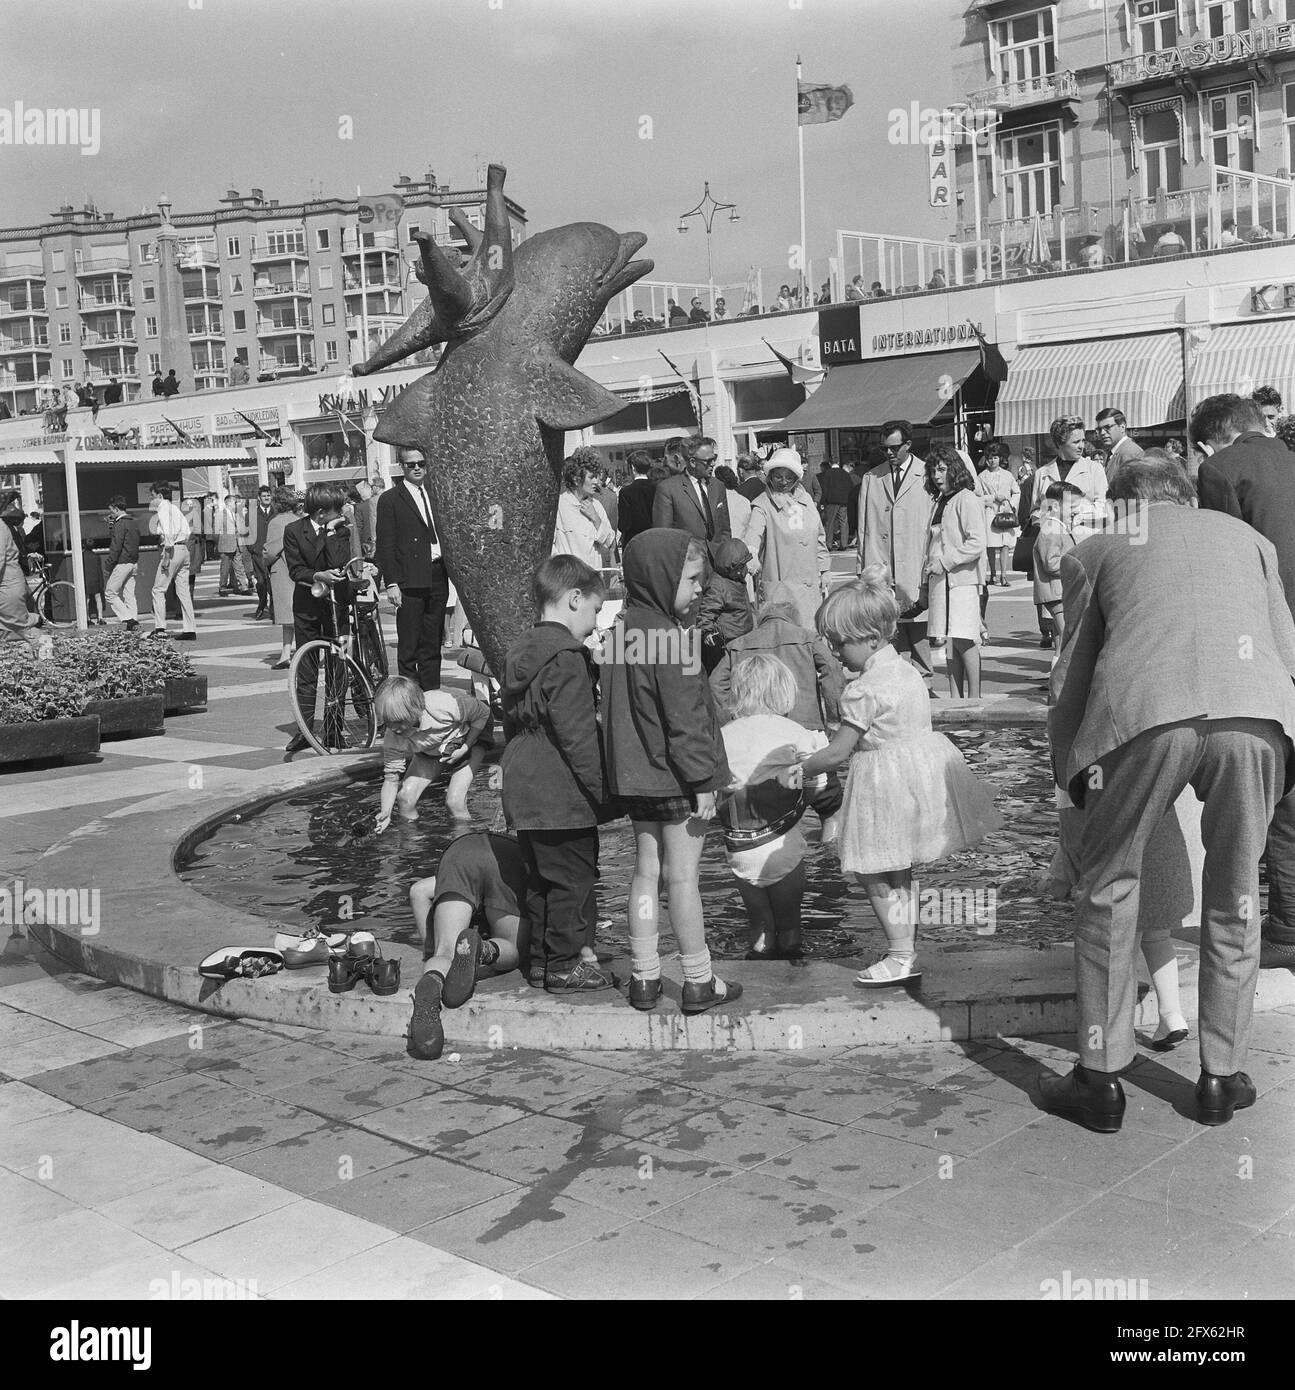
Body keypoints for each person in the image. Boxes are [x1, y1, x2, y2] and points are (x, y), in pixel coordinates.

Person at [1043, 454, 1295, 1131]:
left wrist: (1071, 776)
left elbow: (1070, 675)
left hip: (1145, 714)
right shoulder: (1249, 541)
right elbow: (1284, 648)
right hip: (1255, 715)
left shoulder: (1094, 549)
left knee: (1108, 888)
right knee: (1236, 892)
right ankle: (1220, 1076)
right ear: (1187, 497)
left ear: (1121, 505)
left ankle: (1100, 1080)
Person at [796, 575, 1001, 986]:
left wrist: (798, 768)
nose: (835, 653)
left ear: (870, 638)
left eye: (839, 643)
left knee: (872, 871)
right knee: (901, 870)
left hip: (882, 788)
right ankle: (906, 948)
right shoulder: (907, 672)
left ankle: (899, 953)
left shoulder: (864, 689)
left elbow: (839, 751)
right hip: (916, 784)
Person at [601, 528, 741, 1014]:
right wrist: (705, 781)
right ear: (661, 578)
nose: (701, 588)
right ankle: (699, 981)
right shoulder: (672, 641)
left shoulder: (619, 636)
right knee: (682, 880)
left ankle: (644, 977)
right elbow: (687, 722)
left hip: (635, 780)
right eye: (693, 579)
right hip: (679, 780)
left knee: (644, 875)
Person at [1193, 393, 1295, 971]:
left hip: (1272, 644)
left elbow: (1222, 562)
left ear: (1215, 438)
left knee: (1281, 786)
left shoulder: (1220, 469)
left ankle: (1285, 924)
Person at [500, 554, 614, 993]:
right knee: (573, 877)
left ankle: (541, 962)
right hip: (559, 788)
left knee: (540, 878)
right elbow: (578, 736)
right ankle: (566, 965)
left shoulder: (520, 651)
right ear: (573, 598)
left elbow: (512, 724)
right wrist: (603, 791)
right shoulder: (567, 658)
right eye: (593, 611)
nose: (594, 622)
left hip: (523, 780)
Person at [718, 654, 832, 960]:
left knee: (759, 925)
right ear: (784, 691)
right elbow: (818, 782)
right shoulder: (794, 731)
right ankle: (792, 974)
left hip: (739, 847)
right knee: (790, 924)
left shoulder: (724, 734)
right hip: (782, 844)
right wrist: (802, 806)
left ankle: (759, 965)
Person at [407, 832, 534, 1060]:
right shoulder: (515, 841)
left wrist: (435, 951)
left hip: (461, 852)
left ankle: (432, 980)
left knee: (445, 951)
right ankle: (484, 950)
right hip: (508, 858)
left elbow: (418, 891)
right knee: (513, 951)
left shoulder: (466, 850)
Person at [858, 420, 935, 691]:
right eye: (884, 448)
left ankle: (924, 683)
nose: (889, 454)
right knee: (886, 628)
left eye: (894, 448)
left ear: (908, 445)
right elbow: (863, 527)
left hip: (914, 560)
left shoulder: (926, 473)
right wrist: (863, 567)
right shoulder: (872, 478)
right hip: (882, 564)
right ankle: (891, 683)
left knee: (917, 625)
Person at [711, 583, 843, 733]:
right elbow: (831, 670)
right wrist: (834, 718)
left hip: (753, 725)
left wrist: (730, 721)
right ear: (794, 613)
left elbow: (716, 684)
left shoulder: (739, 644)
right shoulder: (807, 638)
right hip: (805, 724)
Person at [283, 482, 354, 753]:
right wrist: (317, 575)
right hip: (307, 608)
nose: (343, 512)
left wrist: (333, 533)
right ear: (322, 512)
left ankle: (334, 730)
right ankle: (305, 729)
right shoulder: (294, 531)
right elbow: (297, 569)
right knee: (307, 668)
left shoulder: (341, 530)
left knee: (338, 667)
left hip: (336, 608)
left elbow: (339, 560)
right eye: (338, 509)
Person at [374, 447, 449, 691]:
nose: (416, 467)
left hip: (437, 574)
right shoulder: (391, 499)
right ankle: (409, 704)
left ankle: (432, 699)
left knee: (432, 644)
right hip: (409, 579)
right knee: (409, 647)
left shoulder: (436, 495)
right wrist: (392, 583)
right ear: (402, 468)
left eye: (421, 463)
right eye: (410, 464)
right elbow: (386, 544)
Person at [373, 674, 492, 824]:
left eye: (398, 722)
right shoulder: (393, 736)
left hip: (470, 735)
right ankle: (413, 842)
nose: (394, 729)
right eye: (388, 722)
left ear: (416, 710)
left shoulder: (443, 705)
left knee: (454, 802)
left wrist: (465, 747)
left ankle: (467, 841)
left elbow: (484, 713)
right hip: (434, 747)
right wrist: (386, 812)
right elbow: (391, 779)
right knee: (405, 798)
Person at [922, 444, 988, 699]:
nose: (936, 475)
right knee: (950, 641)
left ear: (954, 469)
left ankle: (974, 698)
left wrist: (947, 562)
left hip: (961, 581)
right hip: (941, 581)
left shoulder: (966, 498)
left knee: (964, 638)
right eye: (933, 470)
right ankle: (955, 698)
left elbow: (976, 543)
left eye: (941, 469)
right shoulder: (939, 500)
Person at [743, 447, 829, 629]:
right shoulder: (762, 505)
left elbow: (819, 537)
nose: (783, 482)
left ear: (797, 478)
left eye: (789, 477)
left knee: (811, 637)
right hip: (781, 588)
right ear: (769, 476)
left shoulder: (806, 500)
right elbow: (753, 535)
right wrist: (751, 554)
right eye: (778, 476)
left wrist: (825, 570)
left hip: (810, 586)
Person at [651, 435, 731, 549]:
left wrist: (724, 555)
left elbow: (725, 530)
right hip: (687, 561)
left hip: (717, 560)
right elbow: (663, 536)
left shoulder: (718, 486)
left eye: (715, 458)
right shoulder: (668, 489)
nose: (713, 464)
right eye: (708, 461)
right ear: (693, 462)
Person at [1031, 416, 1108, 531]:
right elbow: (1035, 511)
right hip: (1053, 541)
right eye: (1076, 442)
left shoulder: (1095, 469)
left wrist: (1077, 514)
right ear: (1060, 443)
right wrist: (1047, 519)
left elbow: (1103, 507)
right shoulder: (1041, 474)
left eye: (1083, 441)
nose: (1082, 446)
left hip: (1084, 540)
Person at [1033, 480, 1082, 652]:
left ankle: (1057, 675)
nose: (1075, 510)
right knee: (1066, 638)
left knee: (1061, 639)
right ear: (1055, 506)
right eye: (1071, 505)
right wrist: (1075, 567)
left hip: (1058, 592)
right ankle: (1062, 677)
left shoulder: (1057, 526)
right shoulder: (1051, 528)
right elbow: (1051, 563)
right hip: (1056, 592)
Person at [698, 537, 754, 675]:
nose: (743, 572)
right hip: (725, 645)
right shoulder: (718, 585)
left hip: (742, 641)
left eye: (744, 566)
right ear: (727, 567)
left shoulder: (736, 579)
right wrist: (708, 632)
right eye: (739, 568)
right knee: (720, 678)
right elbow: (707, 612)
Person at [147, 482, 196, 641]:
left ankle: (160, 628)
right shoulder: (175, 508)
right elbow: (187, 532)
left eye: (153, 496)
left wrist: (167, 556)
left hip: (172, 550)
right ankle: (190, 629)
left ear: (159, 496)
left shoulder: (163, 509)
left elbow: (168, 533)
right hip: (184, 550)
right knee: (183, 591)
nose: (151, 500)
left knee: (158, 589)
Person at [552, 455, 615, 568]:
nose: (596, 481)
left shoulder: (596, 505)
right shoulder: (559, 506)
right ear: (576, 480)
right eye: (591, 477)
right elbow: (550, 548)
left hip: (594, 579)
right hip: (569, 580)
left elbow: (611, 543)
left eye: (596, 476)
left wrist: (596, 518)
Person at [264, 488, 302, 667]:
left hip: (283, 572)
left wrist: (265, 559)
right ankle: (286, 653)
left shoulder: (277, 522)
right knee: (296, 615)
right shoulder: (299, 519)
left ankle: (288, 654)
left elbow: (271, 551)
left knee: (289, 617)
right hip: (299, 571)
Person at [977, 439, 1018, 587]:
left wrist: (1010, 505)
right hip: (990, 512)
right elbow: (978, 497)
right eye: (989, 458)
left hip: (1005, 512)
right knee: (991, 545)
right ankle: (993, 574)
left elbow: (1017, 492)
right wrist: (993, 497)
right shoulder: (981, 477)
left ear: (1000, 458)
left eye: (995, 457)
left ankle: (1004, 575)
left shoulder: (1008, 475)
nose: (992, 461)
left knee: (1005, 544)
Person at [103, 497, 140, 630]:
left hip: (122, 562)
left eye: (111, 510)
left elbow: (116, 546)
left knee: (110, 593)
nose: (110, 513)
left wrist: (108, 565)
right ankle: (134, 620)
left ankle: (129, 620)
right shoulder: (133, 522)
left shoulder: (120, 525)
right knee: (129, 594)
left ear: (116, 508)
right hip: (133, 562)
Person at [616, 450, 657, 551]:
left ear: (633, 468)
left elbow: (624, 525)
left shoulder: (625, 492)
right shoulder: (658, 488)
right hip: (655, 539)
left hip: (634, 542)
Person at [1094, 407, 1143, 489]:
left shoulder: (1130, 453)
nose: (1102, 433)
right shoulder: (1115, 452)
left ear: (1122, 427)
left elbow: (1138, 493)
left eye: (1107, 427)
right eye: (1099, 429)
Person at [247, 484, 274, 620]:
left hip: (273, 553)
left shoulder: (276, 512)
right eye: (264, 496)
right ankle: (262, 603)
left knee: (273, 582)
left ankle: (274, 608)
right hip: (258, 554)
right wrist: (253, 548)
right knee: (261, 582)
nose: (267, 498)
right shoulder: (252, 514)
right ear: (259, 498)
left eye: (268, 495)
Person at [215, 493, 249, 596]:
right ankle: (223, 587)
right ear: (229, 503)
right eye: (235, 502)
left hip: (236, 543)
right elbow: (216, 530)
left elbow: (240, 528)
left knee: (239, 566)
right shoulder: (220, 514)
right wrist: (219, 544)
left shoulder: (236, 514)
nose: (236, 504)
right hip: (226, 545)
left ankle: (243, 587)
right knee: (225, 568)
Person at [817, 456, 853, 551]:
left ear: (829, 463)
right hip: (844, 501)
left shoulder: (827, 473)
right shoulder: (845, 473)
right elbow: (850, 486)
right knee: (843, 522)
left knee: (830, 523)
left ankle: (829, 544)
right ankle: (844, 544)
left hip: (831, 501)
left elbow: (825, 488)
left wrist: (823, 502)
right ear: (838, 462)